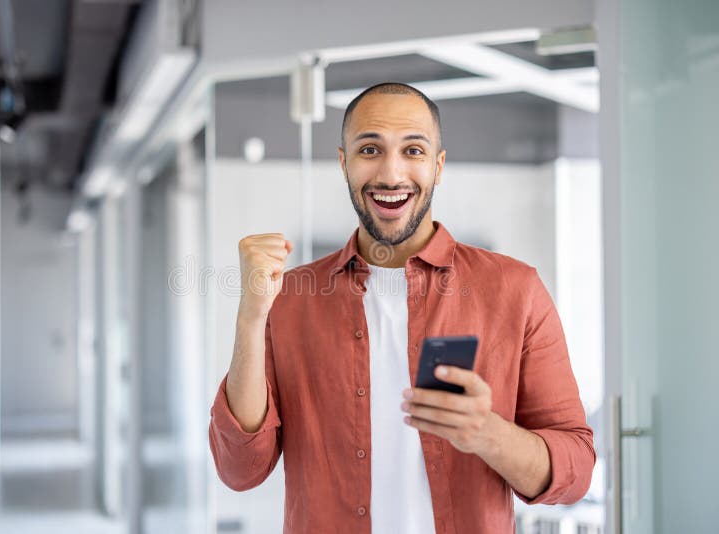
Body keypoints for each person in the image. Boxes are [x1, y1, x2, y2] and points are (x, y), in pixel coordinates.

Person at [209, 82, 595, 533]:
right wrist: (251, 317)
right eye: (370, 149)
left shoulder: (516, 289)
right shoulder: (290, 298)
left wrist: (487, 433)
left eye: (413, 151)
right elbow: (240, 469)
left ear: (438, 164)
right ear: (344, 162)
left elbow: (576, 471)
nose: (391, 174)